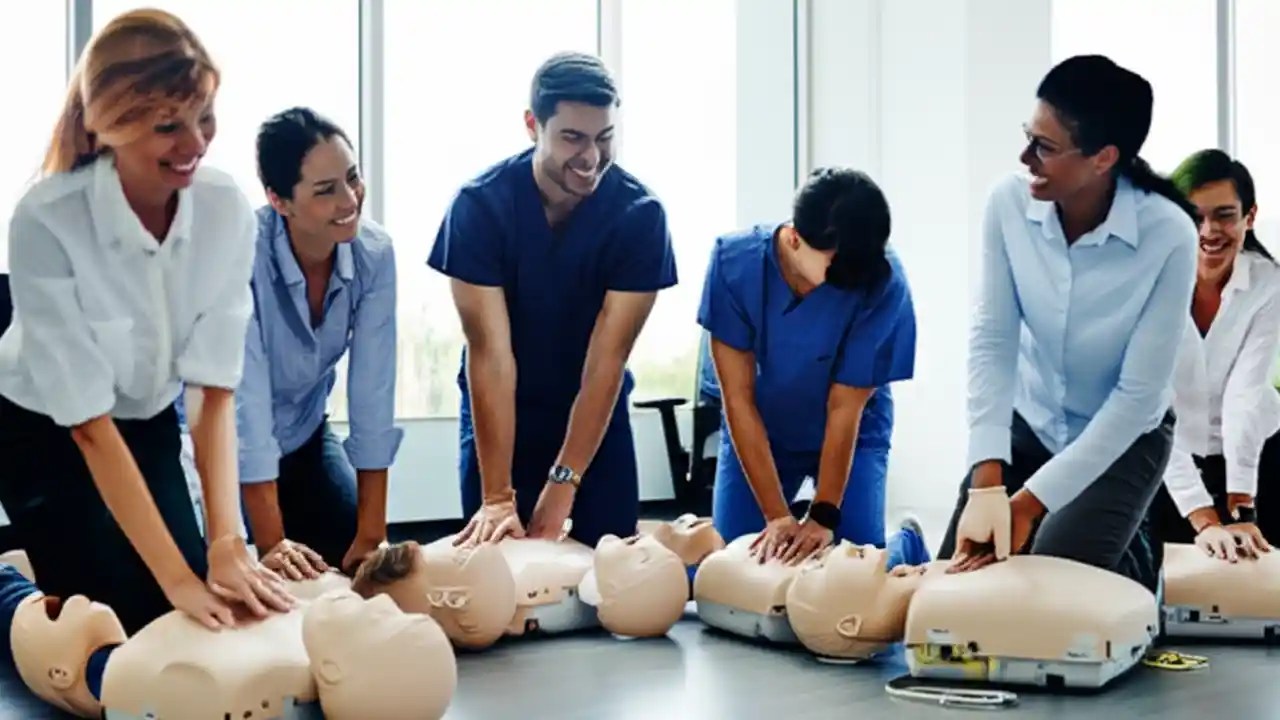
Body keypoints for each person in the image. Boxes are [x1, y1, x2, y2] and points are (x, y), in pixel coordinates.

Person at [0, 9, 292, 634]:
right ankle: (8, 586)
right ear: (110, 125)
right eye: (168, 126)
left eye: (204, 116)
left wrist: (226, 544)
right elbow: (87, 427)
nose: (195, 144)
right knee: (114, 622)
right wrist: (177, 580)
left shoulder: (224, 210)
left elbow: (214, 390)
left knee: (200, 606)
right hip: (41, 429)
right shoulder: (46, 220)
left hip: (146, 416)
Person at [939, 54, 1199, 594]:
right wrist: (987, 482)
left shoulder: (1169, 234)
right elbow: (993, 340)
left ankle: (1133, 552)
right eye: (1027, 137)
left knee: (1051, 585)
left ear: (1104, 158)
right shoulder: (1007, 204)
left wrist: (1028, 505)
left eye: (1044, 147)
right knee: (956, 589)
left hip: (1124, 435)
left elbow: (1137, 398)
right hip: (1031, 422)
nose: (1024, 157)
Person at [428, 52, 676, 548]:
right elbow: (490, 356)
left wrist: (564, 484)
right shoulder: (479, 207)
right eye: (572, 138)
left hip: (593, 409)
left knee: (610, 566)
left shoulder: (640, 216)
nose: (591, 158)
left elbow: (607, 360)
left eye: (604, 137)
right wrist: (498, 496)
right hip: (504, 408)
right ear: (532, 126)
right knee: (496, 563)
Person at [696, 167, 922, 567]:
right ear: (794, 239)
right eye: (838, 266)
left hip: (853, 431)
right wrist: (777, 517)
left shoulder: (883, 281)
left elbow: (844, 408)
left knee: (856, 568)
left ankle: (907, 542)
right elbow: (738, 398)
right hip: (761, 423)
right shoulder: (735, 265)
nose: (852, 281)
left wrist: (823, 516)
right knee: (737, 561)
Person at [237, 107, 402, 577]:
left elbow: (372, 394)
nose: (350, 200)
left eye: (352, 178)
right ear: (279, 200)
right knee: (239, 574)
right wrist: (271, 543)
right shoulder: (241, 256)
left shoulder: (374, 254)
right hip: (217, 447)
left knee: (359, 561)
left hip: (303, 435)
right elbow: (246, 407)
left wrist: (371, 535)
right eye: (326, 190)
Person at [1149, 149, 1280, 561]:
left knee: (1261, 570)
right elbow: (1152, 408)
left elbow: (1245, 394)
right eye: (1194, 216)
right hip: (1167, 454)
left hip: (1257, 451)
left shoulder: (1268, 284)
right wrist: (1203, 516)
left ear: (1249, 217)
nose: (1208, 231)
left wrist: (1241, 506)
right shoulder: (1146, 284)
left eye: (1224, 215)